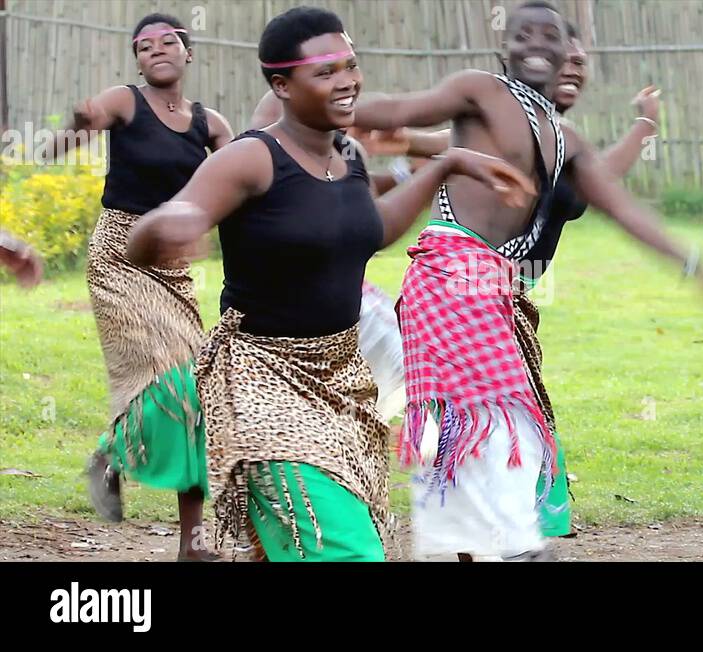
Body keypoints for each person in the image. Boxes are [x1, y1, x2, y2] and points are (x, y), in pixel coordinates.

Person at [125, 6, 534, 561]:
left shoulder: (347, 154)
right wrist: (168, 227)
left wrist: (445, 165)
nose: (346, 81)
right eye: (324, 72)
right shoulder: (251, 157)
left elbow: (373, 230)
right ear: (282, 85)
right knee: (342, 549)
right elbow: (157, 228)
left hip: (344, 384)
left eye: (350, 65)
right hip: (265, 381)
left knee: (315, 542)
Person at [353, 1, 703, 561]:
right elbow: (397, 109)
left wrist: (693, 264)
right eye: (522, 32)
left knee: (491, 433)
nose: (534, 42)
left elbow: (623, 208)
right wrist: (332, 106)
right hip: (451, 276)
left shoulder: (566, 141)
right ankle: (516, 549)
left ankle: (478, 547)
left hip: (493, 293)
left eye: (549, 35)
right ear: (505, 47)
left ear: (566, 53)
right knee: (499, 431)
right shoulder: (480, 90)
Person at [54, 13, 233, 561]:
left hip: (172, 264)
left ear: (188, 53)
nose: (157, 49)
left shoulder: (210, 124)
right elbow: (71, 135)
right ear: (137, 59)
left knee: (196, 392)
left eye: (169, 41)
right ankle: (111, 455)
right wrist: (76, 125)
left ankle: (191, 543)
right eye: (145, 45)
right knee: (171, 379)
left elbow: (243, 175)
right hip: (119, 256)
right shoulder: (125, 101)